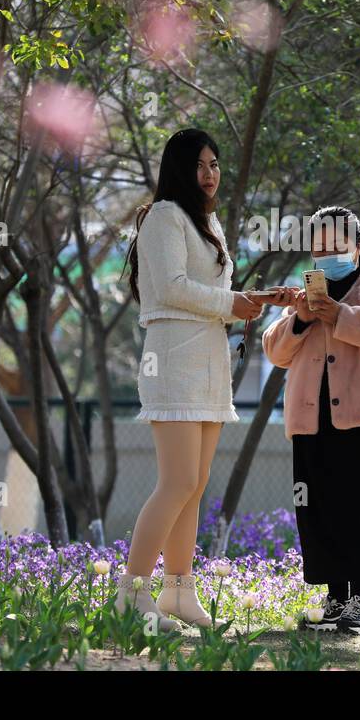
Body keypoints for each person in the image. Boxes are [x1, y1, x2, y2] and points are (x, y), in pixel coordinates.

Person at [118, 128, 269, 629]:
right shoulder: (162, 216)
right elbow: (173, 288)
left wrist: (260, 300)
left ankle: (179, 592)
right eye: (200, 165)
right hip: (173, 364)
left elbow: (213, 295)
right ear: (180, 168)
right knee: (178, 481)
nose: (210, 174)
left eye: (215, 164)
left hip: (210, 366)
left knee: (196, 484)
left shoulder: (208, 222)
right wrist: (232, 303)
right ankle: (131, 594)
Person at [261, 206, 360, 633]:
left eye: (336, 241)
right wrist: (303, 317)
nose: (327, 250)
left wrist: (341, 316)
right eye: (319, 243)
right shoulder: (306, 293)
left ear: (357, 245)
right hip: (311, 421)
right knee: (318, 509)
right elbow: (275, 351)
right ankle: (334, 598)